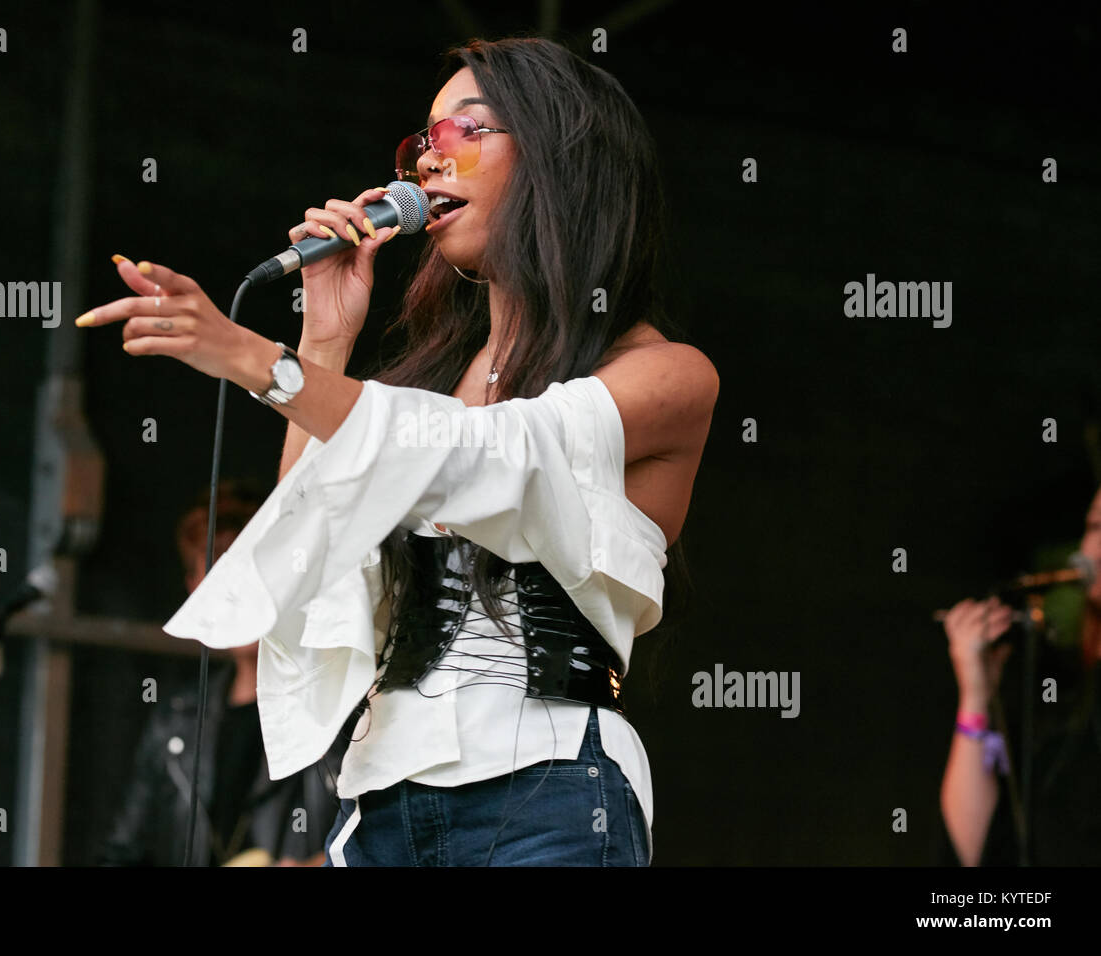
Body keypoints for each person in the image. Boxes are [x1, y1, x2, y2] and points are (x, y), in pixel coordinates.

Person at [78, 36, 718, 866]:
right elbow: (309, 547)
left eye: (466, 131)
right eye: (422, 140)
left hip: (551, 791)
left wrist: (248, 357)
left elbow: (487, 459)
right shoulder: (427, 387)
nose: (429, 159)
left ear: (563, 156)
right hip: (380, 798)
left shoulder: (666, 375)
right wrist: (324, 341)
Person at [98, 479, 348, 866]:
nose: (236, 589)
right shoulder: (175, 722)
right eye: (215, 570)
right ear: (194, 588)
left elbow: (397, 840)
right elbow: (121, 853)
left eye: (247, 566)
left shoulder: (340, 704)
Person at [939, 484, 1101, 866]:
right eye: (1094, 525)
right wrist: (976, 695)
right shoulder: (1062, 695)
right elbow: (973, 847)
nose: (1091, 547)